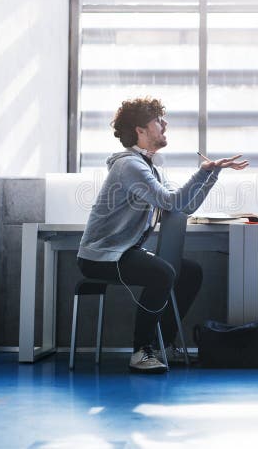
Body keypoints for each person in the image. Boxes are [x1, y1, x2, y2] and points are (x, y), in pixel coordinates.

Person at [77, 97, 248, 373]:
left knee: (189, 272)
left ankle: (161, 345)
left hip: (123, 252)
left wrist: (210, 173)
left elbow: (185, 205)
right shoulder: (130, 167)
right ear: (140, 130)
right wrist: (205, 173)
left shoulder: (150, 167)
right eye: (158, 120)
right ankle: (140, 351)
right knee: (163, 273)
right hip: (102, 256)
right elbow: (173, 202)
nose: (164, 124)